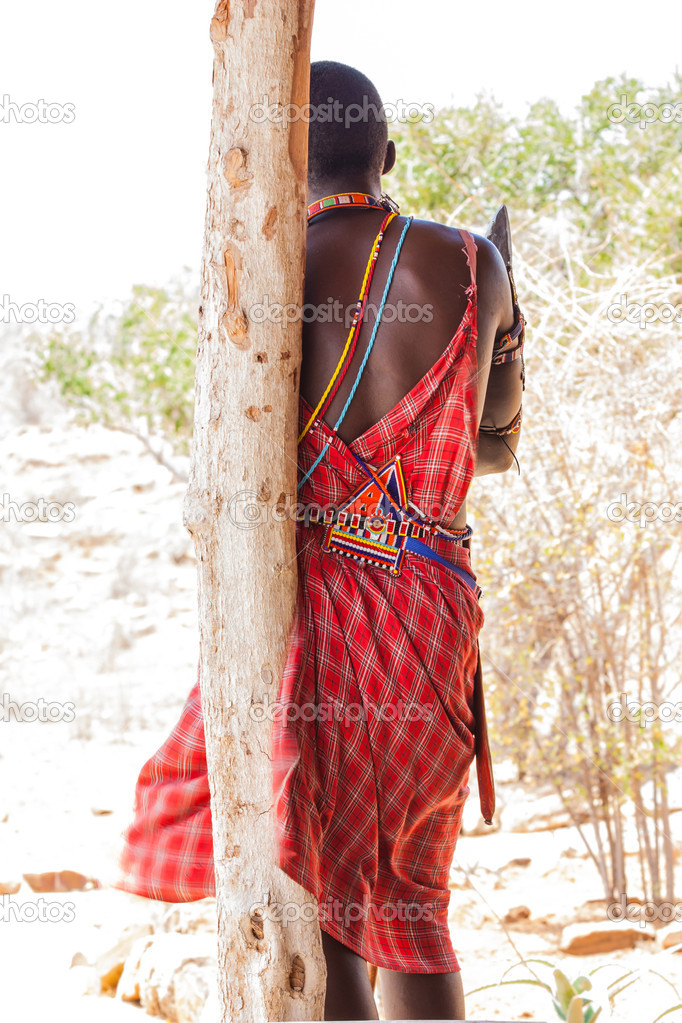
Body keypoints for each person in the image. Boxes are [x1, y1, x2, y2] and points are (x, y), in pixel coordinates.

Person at [115, 60, 525, 1022]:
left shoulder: (259, 271)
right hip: (431, 615)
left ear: (289, 157)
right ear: (389, 155)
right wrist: (504, 338)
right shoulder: (476, 263)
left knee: (333, 915)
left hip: (312, 619)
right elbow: (496, 445)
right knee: (415, 909)